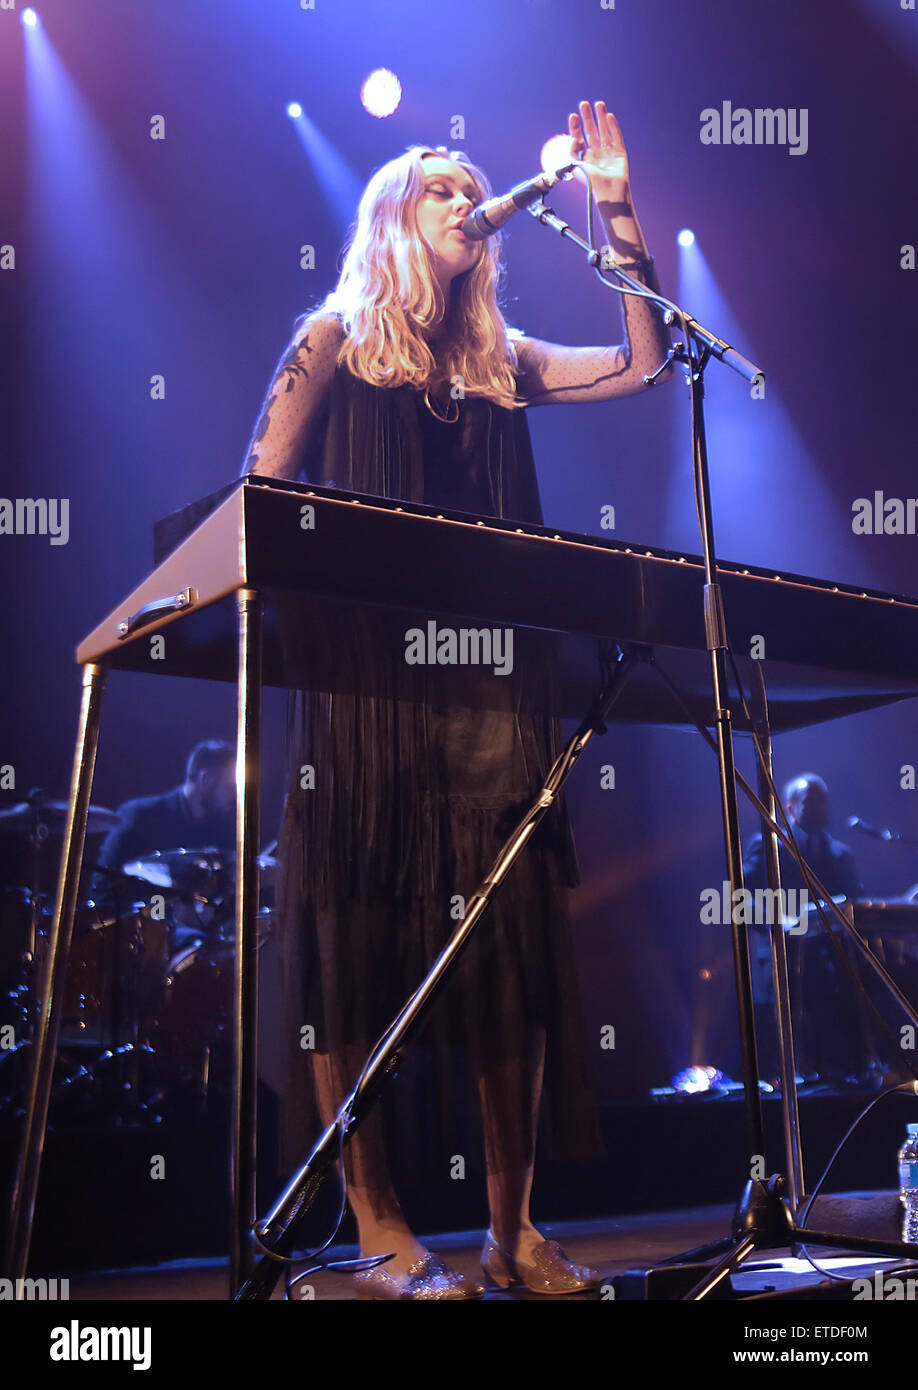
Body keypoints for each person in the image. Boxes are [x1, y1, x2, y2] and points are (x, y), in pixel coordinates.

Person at [243, 101, 673, 1299]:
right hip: (363, 688)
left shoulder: (503, 364)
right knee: (351, 933)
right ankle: (378, 1223)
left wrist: (618, 208)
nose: (466, 197)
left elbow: (644, 363)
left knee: (510, 947)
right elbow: (259, 493)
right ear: (393, 216)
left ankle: (511, 1230)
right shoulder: (331, 339)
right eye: (440, 185)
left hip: (491, 687)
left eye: (473, 186)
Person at [743, 772, 870, 1084]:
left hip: (835, 970)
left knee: (836, 1055)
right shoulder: (769, 846)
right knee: (793, 1053)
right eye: (810, 801)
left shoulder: (840, 853)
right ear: (789, 808)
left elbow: (857, 903)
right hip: (784, 966)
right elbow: (740, 900)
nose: (819, 808)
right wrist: (781, 921)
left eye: (823, 801)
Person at [91, 740, 237, 939]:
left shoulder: (220, 830)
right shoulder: (140, 817)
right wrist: (167, 913)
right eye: (230, 787)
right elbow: (103, 894)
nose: (234, 796)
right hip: (135, 944)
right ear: (205, 779)